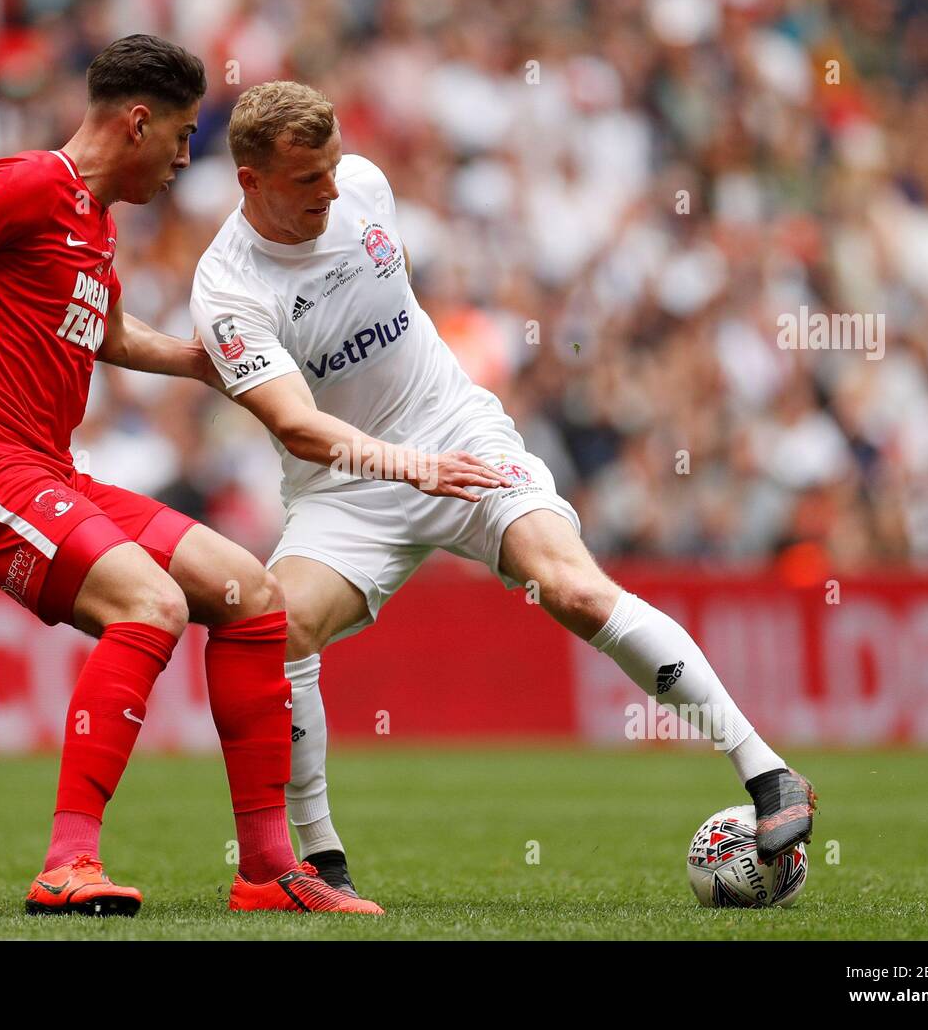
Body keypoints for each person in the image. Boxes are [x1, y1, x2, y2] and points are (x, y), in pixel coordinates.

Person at [189, 81, 818, 897]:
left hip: (460, 436)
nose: (333, 191)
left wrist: (430, 445)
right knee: (278, 625)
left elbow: (398, 314)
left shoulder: (366, 187)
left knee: (572, 589)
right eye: (309, 180)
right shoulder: (228, 287)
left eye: (334, 167)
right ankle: (321, 859)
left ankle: (768, 774)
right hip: (345, 487)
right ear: (250, 180)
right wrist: (407, 466)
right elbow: (300, 427)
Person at [0, 40, 400, 916]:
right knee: (153, 603)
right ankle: (67, 862)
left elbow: (102, 333)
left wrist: (203, 363)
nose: (185, 160)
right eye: (179, 138)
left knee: (250, 594)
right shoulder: (27, 182)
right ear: (137, 122)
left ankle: (266, 872)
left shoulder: (93, 223)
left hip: (46, 469)